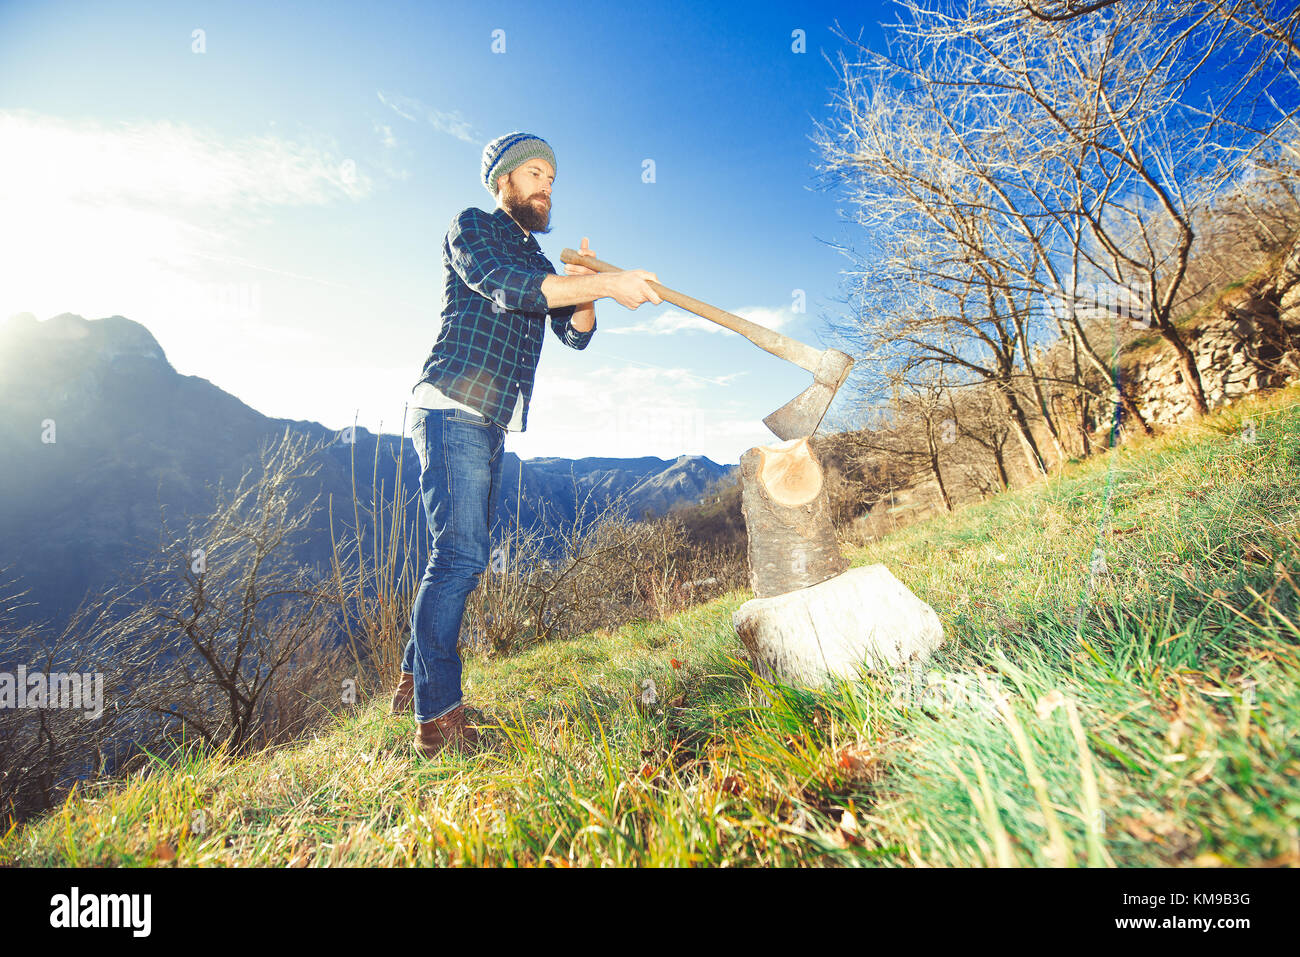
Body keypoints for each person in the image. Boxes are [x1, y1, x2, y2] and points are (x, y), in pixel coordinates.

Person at [393, 131, 663, 759]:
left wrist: (586, 287)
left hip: (490, 419)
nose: (546, 186)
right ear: (503, 181)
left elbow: (575, 334)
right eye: (535, 173)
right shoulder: (472, 228)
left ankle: (412, 684)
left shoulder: (539, 260)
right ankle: (438, 721)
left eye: (552, 178)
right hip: (450, 406)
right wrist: (606, 283)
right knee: (460, 559)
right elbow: (508, 288)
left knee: (458, 555)